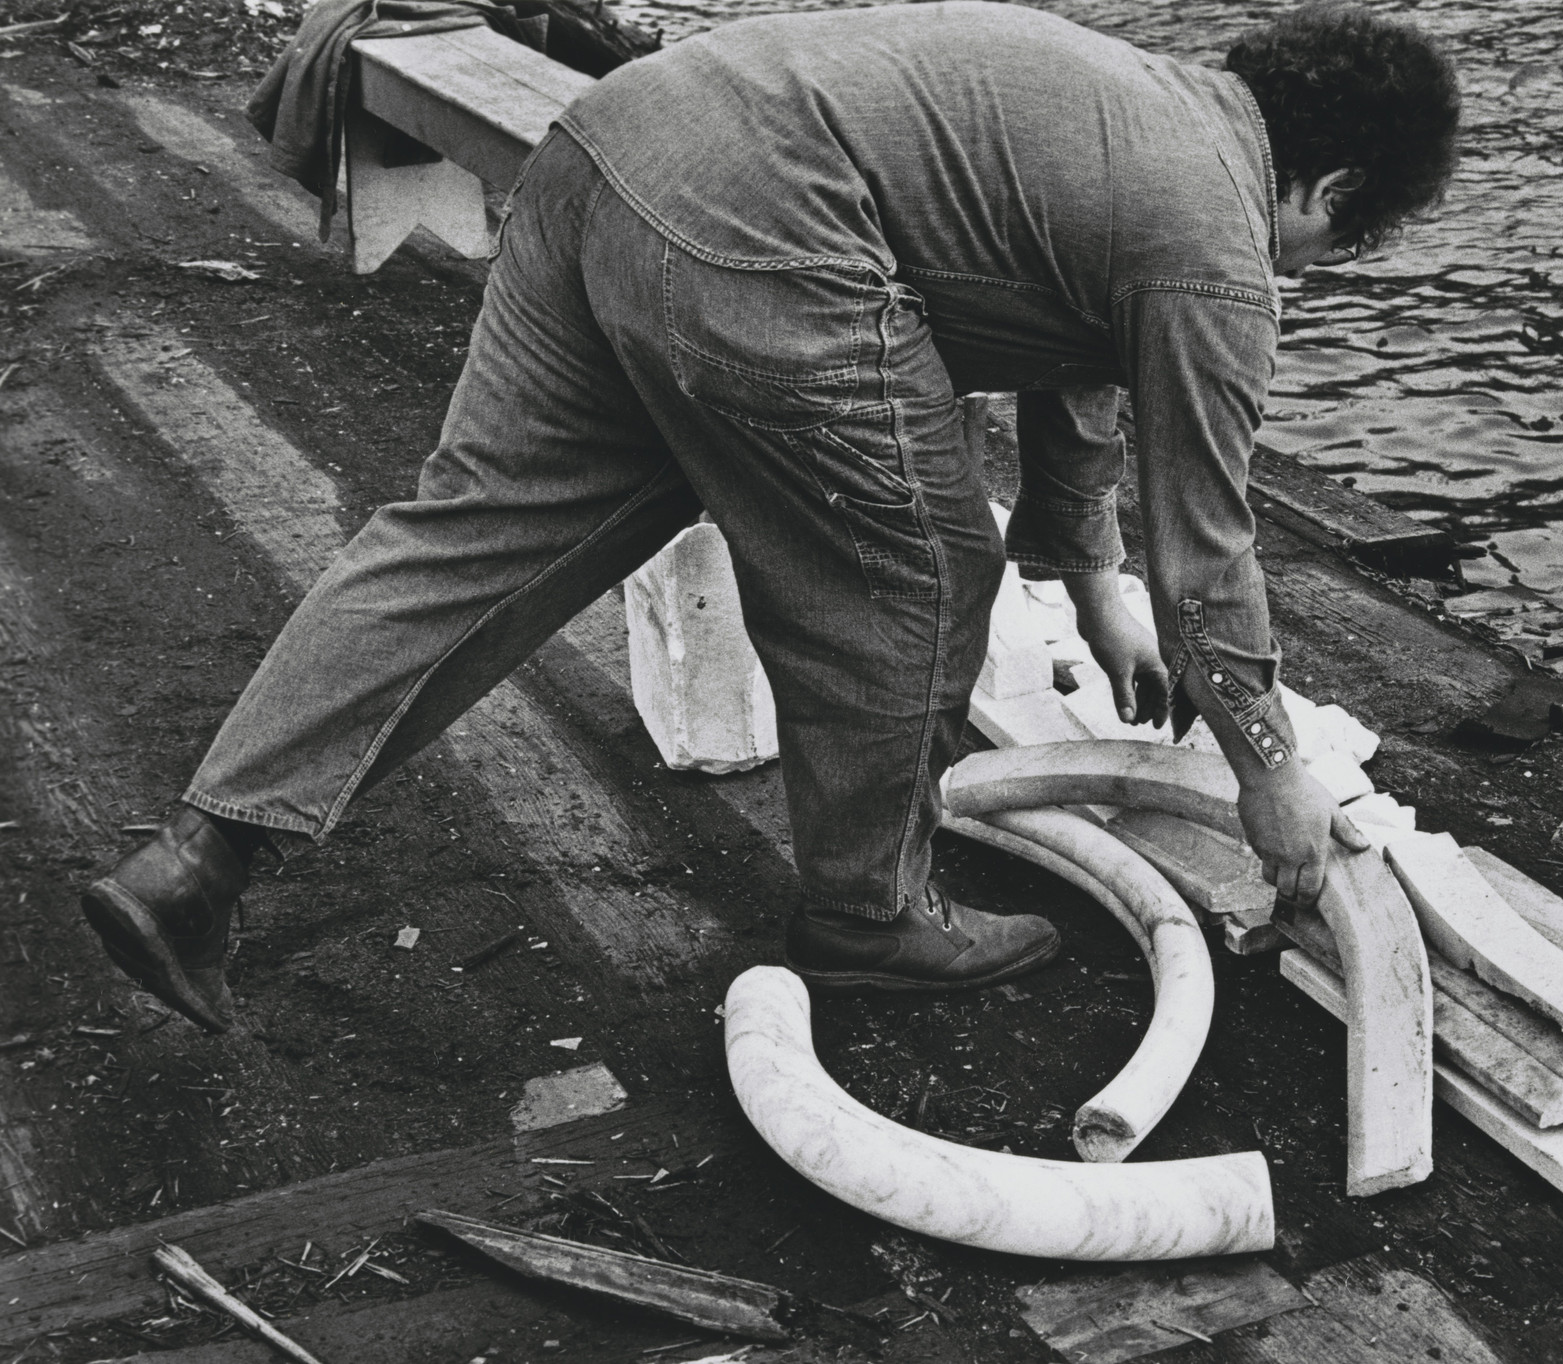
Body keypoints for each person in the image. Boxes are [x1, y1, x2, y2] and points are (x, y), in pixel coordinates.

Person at [80, 1, 1460, 1032]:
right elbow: (1210, 546)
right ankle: (868, 920)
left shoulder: (1137, 105)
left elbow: (1083, 356)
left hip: (607, 152)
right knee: (916, 576)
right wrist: (1273, 770)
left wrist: (1089, 576)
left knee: (481, 533)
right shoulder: (1217, 240)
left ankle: (197, 864)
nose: (1308, 271)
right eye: (1332, 249)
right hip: (765, 232)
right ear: (1331, 190)